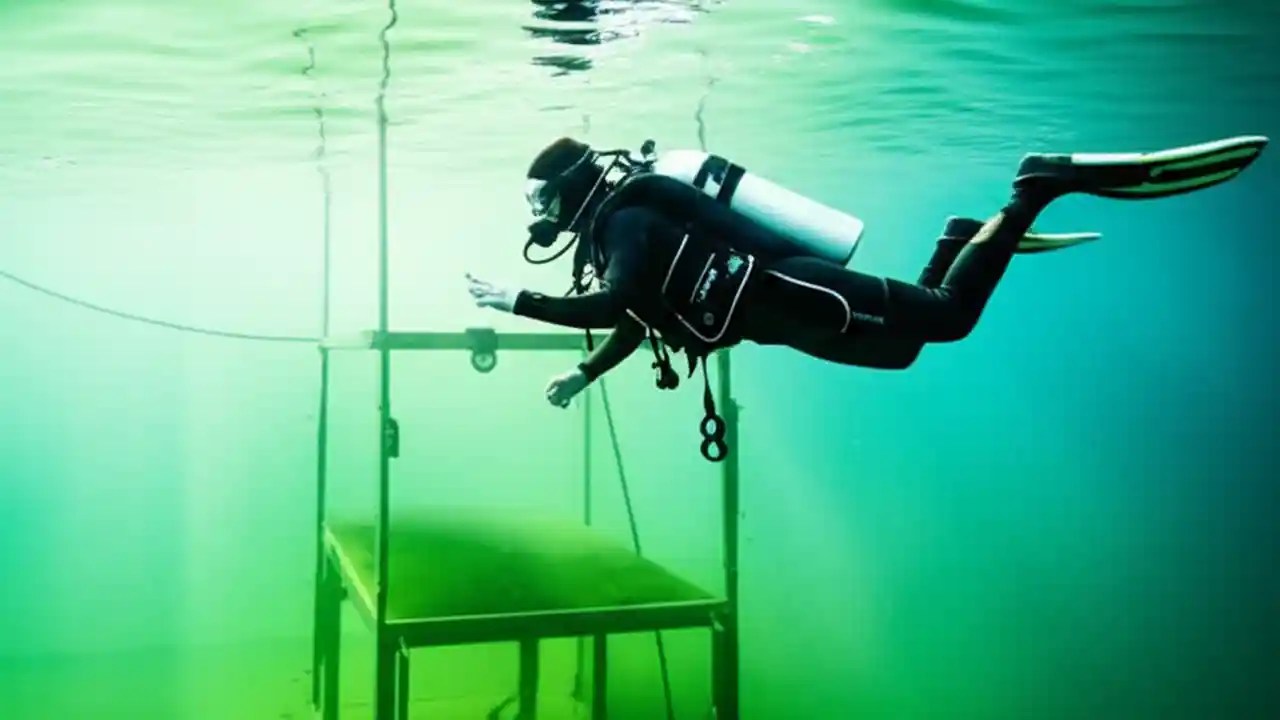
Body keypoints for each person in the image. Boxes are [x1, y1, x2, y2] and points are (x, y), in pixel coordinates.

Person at [467, 134, 1267, 415]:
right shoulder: (620, 237)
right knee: (904, 351)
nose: (542, 211)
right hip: (793, 321)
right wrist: (582, 377)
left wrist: (520, 302)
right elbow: (634, 318)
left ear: (571, 190)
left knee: (949, 318)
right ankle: (964, 234)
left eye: (544, 196)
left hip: (799, 291)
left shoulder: (628, 222)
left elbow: (611, 302)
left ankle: (1037, 183)